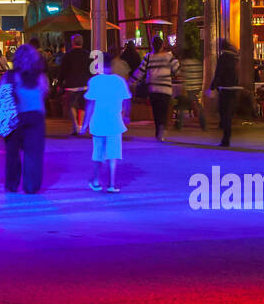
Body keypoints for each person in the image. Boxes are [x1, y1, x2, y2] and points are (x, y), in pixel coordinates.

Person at [1, 44, 49, 194]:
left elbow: (2, 94)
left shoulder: (9, 76)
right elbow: (44, 92)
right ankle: (31, 185)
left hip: (14, 117)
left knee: (12, 152)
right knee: (33, 153)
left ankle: (12, 183)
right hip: (35, 116)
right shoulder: (41, 77)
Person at [85, 64, 131, 192]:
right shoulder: (119, 81)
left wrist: (84, 124)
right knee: (113, 154)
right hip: (115, 121)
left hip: (98, 121)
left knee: (98, 153)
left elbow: (90, 104)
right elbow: (127, 99)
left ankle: (96, 182)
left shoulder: (94, 81)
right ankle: (111, 184)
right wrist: (126, 114)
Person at [130, 35, 179, 142]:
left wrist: (132, 81)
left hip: (153, 88)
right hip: (165, 89)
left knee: (156, 111)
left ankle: (158, 132)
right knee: (163, 110)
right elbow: (177, 69)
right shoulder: (168, 56)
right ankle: (162, 128)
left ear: (152, 46)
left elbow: (140, 71)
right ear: (162, 45)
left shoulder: (148, 57)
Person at [58, 33, 93, 136]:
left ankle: (75, 126)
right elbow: (91, 70)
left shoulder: (67, 55)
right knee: (82, 105)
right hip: (84, 84)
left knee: (72, 105)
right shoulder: (88, 54)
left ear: (73, 42)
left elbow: (62, 71)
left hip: (71, 85)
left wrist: (59, 83)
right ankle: (81, 126)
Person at [209, 38, 240, 148]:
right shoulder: (235, 58)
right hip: (233, 88)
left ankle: (225, 139)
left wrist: (212, 86)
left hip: (225, 88)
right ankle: (226, 136)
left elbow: (219, 73)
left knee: (224, 113)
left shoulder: (223, 58)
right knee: (227, 113)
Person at [174, 49, 208, 130]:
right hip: (196, 88)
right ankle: (203, 124)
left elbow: (178, 74)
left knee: (182, 106)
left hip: (187, 88)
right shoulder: (198, 63)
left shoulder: (183, 64)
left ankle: (179, 125)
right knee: (198, 106)